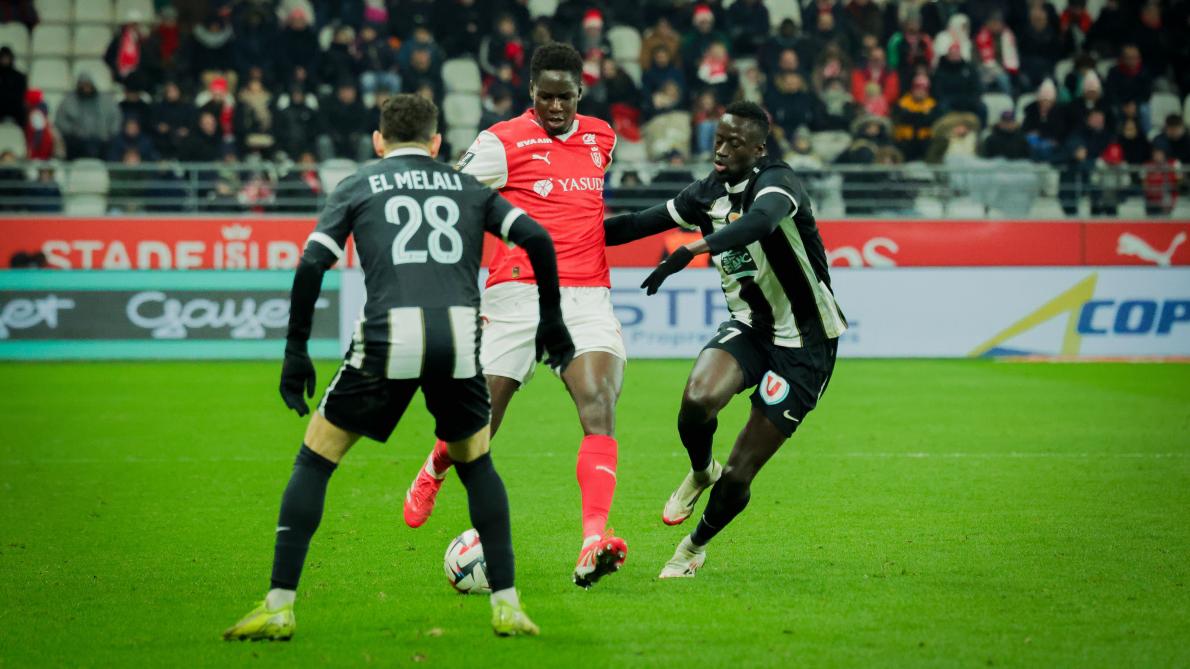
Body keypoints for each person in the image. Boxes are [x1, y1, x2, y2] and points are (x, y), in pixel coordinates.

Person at [222, 93, 573, 641]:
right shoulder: (467, 187)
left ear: (378, 140)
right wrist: (552, 321)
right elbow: (536, 237)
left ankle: (279, 605)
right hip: (460, 338)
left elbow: (314, 261)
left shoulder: (360, 183)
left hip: (389, 336)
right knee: (477, 465)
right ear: (437, 143)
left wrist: (296, 351)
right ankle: (507, 605)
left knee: (315, 461)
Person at [400, 43, 629, 589]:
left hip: (585, 296)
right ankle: (435, 467)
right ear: (531, 93)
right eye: (545, 96)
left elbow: (590, 215)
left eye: (565, 97)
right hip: (516, 295)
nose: (555, 107)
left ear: (580, 93)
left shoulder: (602, 137)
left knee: (598, 402)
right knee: (478, 424)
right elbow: (452, 202)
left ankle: (592, 539)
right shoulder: (499, 143)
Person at [601, 101, 846, 578]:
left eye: (734, 142)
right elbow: (636, 223)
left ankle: (691, 549)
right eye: (718, 136)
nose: (721, 147)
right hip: (753, 326)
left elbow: (759, 222)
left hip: (807, 343)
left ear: (758, 149)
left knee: (740, 472)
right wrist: (561, 233)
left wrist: (692, 247)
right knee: (696, 400)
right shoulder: (706, 193)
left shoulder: (778, 182)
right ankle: (698, 471)